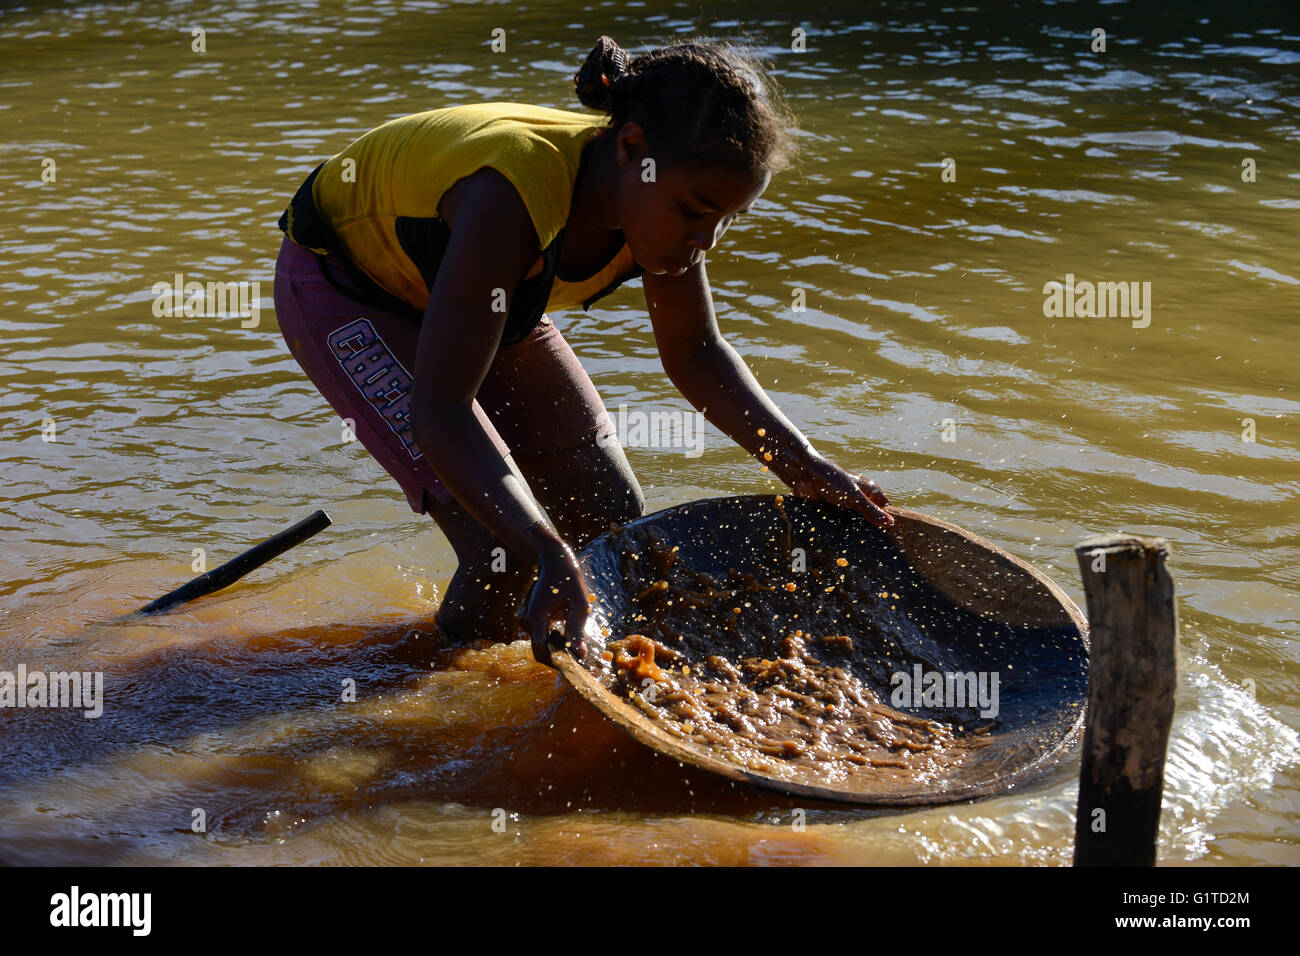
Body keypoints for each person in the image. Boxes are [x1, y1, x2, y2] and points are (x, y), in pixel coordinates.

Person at [272, 34, 893, 668]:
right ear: (630, 150)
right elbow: (442, 409)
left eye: (727, 219)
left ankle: (525, 664)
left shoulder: (658, 204)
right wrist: (544, 548)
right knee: (508, 551)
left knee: (604, 511)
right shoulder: (511, 197)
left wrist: (804, 465)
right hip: (349, 288)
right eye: (695, 211)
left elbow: (697, 353)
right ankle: (435, 698)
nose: (705, 240)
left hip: (479, 294)